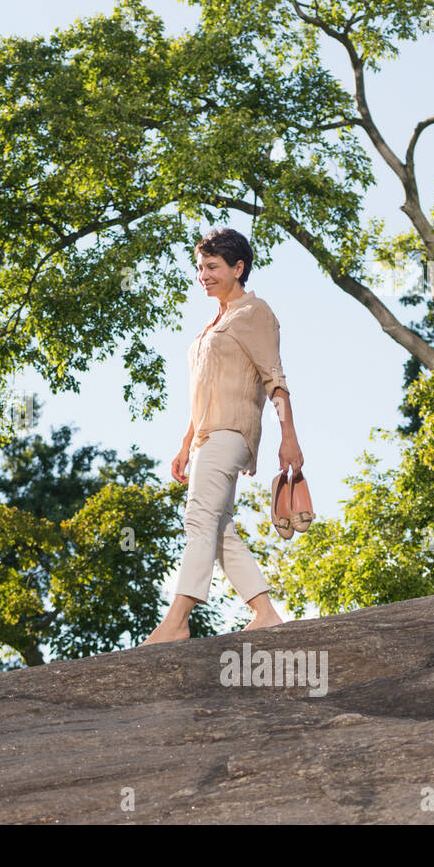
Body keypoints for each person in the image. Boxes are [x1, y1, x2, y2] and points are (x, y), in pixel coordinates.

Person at [140, 228, 303, 645]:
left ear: (238, 268)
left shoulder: (254, 313)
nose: (204, 275)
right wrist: (184, 445)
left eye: (212, 267)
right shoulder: (212, 325)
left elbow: (275, 380)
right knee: (219, 528)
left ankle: (176, 622)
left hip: (231, 434)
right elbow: (203, 392)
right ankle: (265, 612)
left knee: (198, 520)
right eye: (200, 267)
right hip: (206, 439)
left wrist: (289, 438)